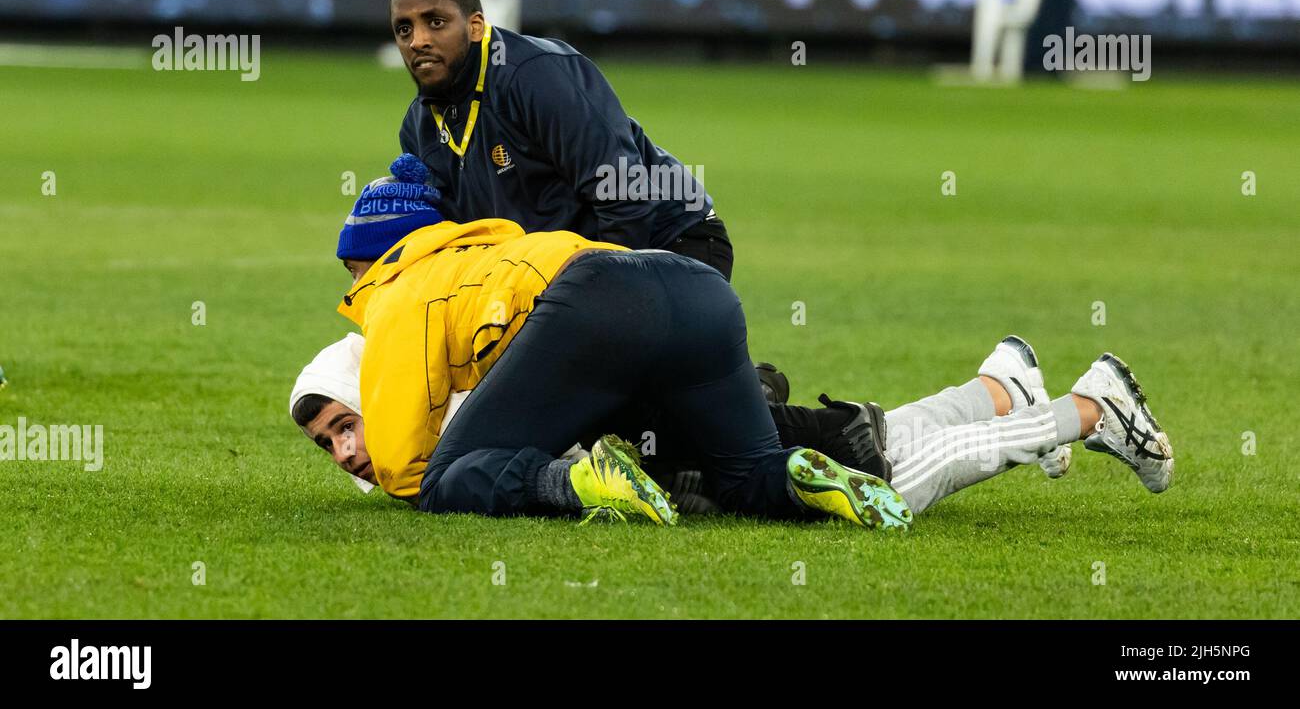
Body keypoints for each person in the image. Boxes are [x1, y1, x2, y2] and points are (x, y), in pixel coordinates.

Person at [289, 157, 1174, 525]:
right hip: (687, 292)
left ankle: (1077, 408)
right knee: (756, 473)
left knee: (449, 478)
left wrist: (529, 467)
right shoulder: (490, 244)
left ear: (362, 263)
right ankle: (1035, 398)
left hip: (604, 318)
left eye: (339, 426)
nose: (343, 449)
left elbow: (414, 470)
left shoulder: (401, 292)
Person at [387, 0, 788, 405]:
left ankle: (767, 404)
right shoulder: (420, 128)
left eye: (435, 22)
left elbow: (624, 193)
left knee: (639, 412)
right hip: (561, 276)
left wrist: (605, 308)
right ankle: (737, 387)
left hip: (669, 243)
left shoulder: (535, 75)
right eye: (404, 29)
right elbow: (470, 245)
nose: (418, 40)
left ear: (476, 25)